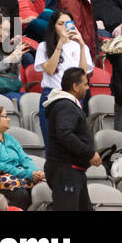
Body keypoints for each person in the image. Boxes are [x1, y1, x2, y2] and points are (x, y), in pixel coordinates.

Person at [44, 66, 101, 210]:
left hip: (73, 171)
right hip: (65, 171)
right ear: (75, 86)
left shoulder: (67, 105)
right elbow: (64, 134)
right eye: (85, 84)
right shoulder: (65, 105)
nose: (88, 88)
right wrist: (88, 153)